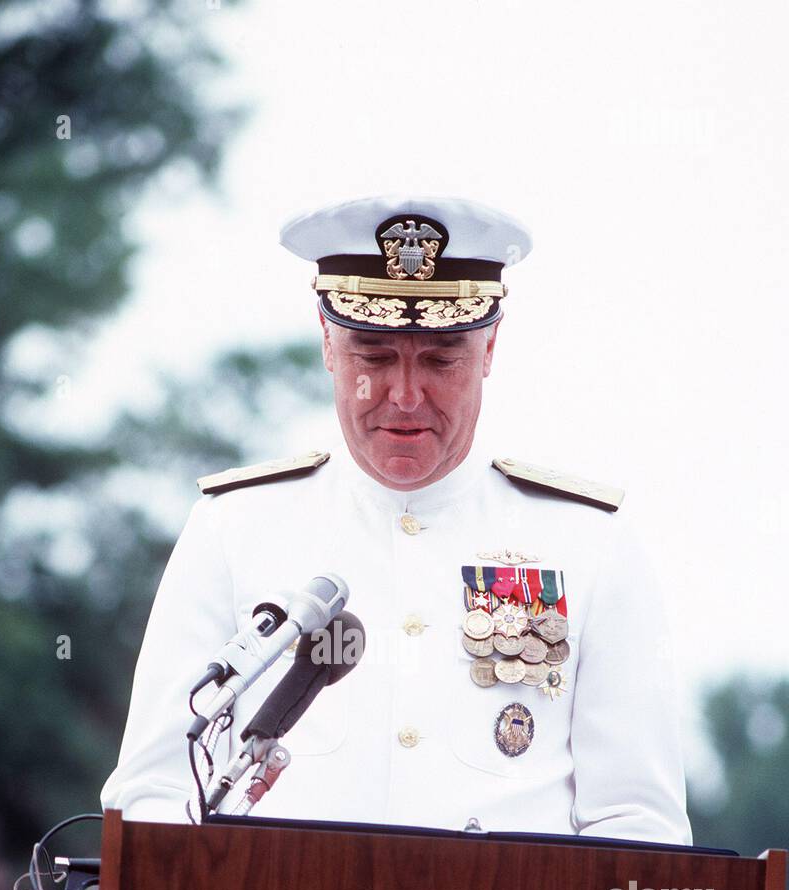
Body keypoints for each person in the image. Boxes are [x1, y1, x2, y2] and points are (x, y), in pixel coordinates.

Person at [100, 194, 691, 844]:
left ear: (490, 346)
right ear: (327, 342)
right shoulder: (235, 527)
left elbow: (638, 826)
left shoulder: (589, 544)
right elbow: (154, 795)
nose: (405, 395)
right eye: (374, 357)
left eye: (441, 360)